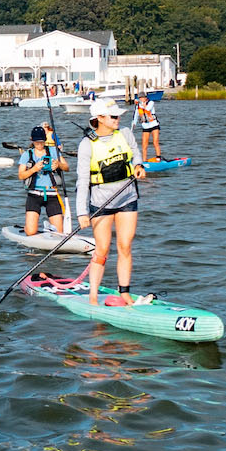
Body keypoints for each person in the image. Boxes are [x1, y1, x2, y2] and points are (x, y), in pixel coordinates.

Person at [75, 100, 148, 305]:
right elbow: (82, 181)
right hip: (101, 204)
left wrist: (139, 165)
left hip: (127, 199)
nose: (118, 119)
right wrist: (81, 212)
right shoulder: (86, 145)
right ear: (99, 119)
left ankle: (124, 292)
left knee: (125, 246)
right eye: (113, 116)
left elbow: (135, 153)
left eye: (118, 116)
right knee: (102, 250)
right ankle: (93, 297)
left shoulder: (124, 133)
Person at [17, 125, 69, 237]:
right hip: (34, 195)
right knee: (31, 232)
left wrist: (58, 165)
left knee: (59, 233)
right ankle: (28, 227)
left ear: (45, 140)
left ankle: (49, 228)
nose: (40, 145)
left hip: (52, 194)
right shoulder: (27, 154)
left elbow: (66, 167)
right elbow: (21, 175)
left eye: (41, 142)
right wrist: (34, 169)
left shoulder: (53, 151)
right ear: (32, 141)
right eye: (37, 142)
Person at [134, 93, 162, 160]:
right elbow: (136, 115)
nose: (141, 99)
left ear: (145, 98)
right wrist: (134, 123)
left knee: (155, 142)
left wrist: (142, 105)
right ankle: (144, 160)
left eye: (142, 97)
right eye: (140, 98)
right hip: (145, 126)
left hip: (154, 125)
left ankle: (158, 158)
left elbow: (148, 109)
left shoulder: (151, 103)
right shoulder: (138, 106)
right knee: (144, 145)